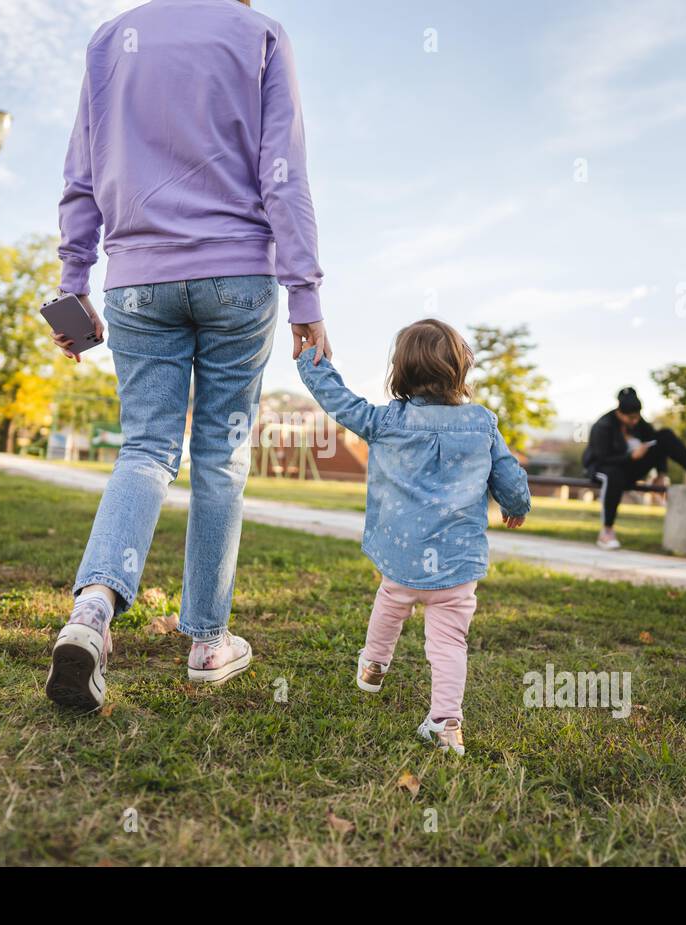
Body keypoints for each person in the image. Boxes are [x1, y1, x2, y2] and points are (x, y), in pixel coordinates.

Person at [45, 0, 328, 711]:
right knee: (221, 458)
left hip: (137, 280)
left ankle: (90, 615)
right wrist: (306, 294)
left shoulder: (111, 39)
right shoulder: (259, 34)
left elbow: (81, 174)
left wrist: (71, 286)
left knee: (143, 449)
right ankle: (207, 642)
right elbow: (283, 171)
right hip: (239, 274)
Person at [296, 319, 532, 755]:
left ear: (400, 371)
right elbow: (510, 477)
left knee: (390, 604)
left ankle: (372, 667)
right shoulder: (482, 424)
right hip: (457, 567)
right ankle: (445, 724)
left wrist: (313, 364)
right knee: (448, 642)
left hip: (402, 559)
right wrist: (516, 507)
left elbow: (341, 402)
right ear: (460, 370)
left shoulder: (388, 421)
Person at [582, 387, 686, 551]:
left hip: (629, 469)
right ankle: (607, 532)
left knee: (664, 435)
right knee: (613, 474)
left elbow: (655, 444)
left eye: (637, 417)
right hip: (602, 468)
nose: (635, 421)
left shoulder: (639, 422)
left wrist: (661, 473)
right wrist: (631, 457)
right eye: (631, 418)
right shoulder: (603, 425)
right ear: (620, 412)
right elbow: (602, 458)